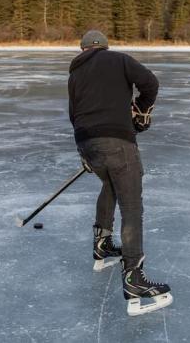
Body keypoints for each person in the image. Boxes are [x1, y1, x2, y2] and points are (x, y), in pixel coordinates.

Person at [68, 30, 172, 316]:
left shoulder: (75, 73)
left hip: (86, 142)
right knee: (131, 205)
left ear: (83, 49)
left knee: (110, 186)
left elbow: (73, 114)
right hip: (117, 141)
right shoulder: (119, 60)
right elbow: (150, 83)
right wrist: (141, 110)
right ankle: (134, 277)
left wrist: (85, 151)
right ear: (104, 47)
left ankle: (102, 244)